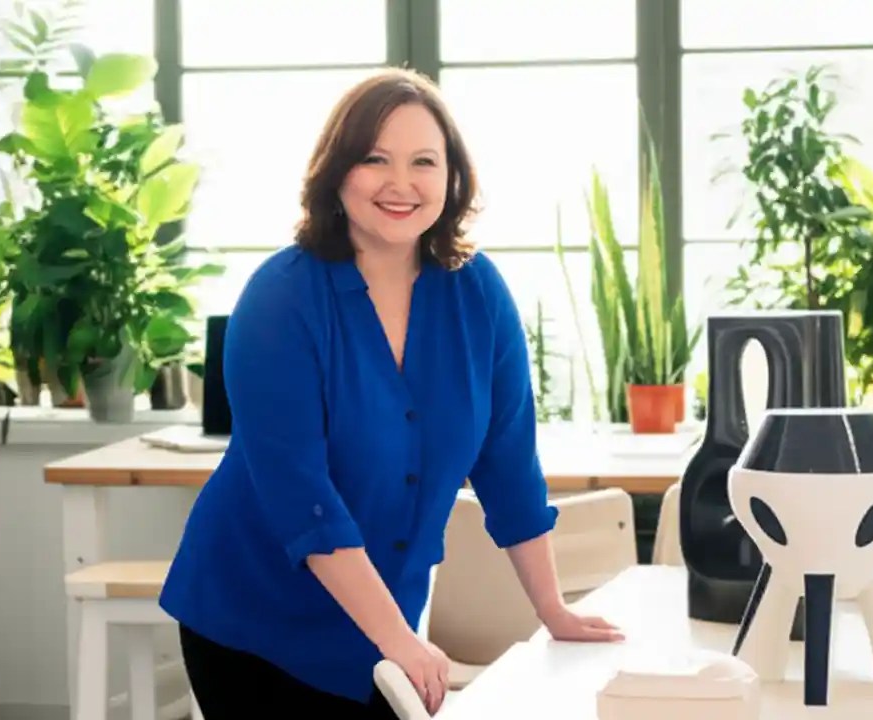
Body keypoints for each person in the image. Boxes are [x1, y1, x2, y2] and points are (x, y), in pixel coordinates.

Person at [158, 67, 622, 718]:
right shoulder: (279, 299)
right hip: (254, 623)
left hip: (382, 633)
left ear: (453, 178)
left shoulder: (479, 293)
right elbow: (303, 499)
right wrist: (400, 639)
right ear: (336, 172)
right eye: (375, 158)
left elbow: (508, 464)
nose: (401, 183)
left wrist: (552, 609)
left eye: (424, 162)